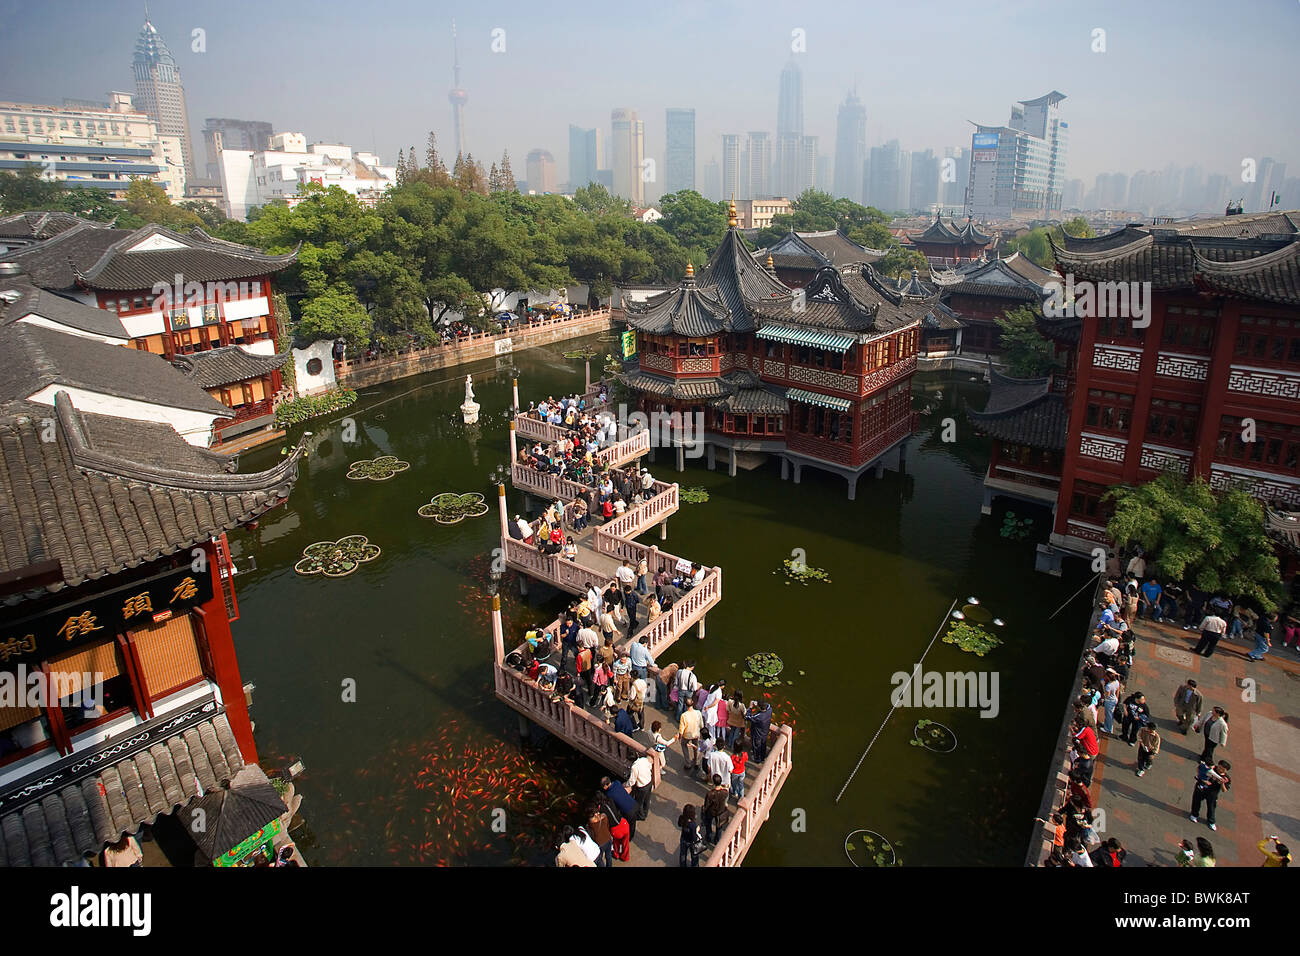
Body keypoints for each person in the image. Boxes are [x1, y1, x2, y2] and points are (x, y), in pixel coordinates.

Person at [1190, 759, 1231, 831]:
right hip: (1201, 789)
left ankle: (1211, 822)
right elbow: (1199, 769)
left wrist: (1222, 783)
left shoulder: (1226, 778)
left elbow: (1224, 790)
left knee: (1211, 807)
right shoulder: (1210, 768)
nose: (1220, 769)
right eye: (1219, 767)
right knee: (1196, 802)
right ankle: (1194, 815)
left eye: (1223, 769)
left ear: (1226, 770)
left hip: (1212, 794)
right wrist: (1203, 778)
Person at [602, 776, 639, 841]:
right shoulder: (617, 782)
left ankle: (628, 838)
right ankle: (631, 836)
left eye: (603, 786)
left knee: (629, 825)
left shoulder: (609, 794)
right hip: (634, 804)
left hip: (628, 811)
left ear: (606, 785)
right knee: (633, 823)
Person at [702, 774, 731, 844]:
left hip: (711, 811)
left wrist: (704, 809)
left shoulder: (710, 794)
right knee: (719, 826)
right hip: (721, 811)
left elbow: (706, 804)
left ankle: (708, 837)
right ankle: (717, 840)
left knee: (708, 824)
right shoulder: (725, 792)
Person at [585, 802, 614, 867]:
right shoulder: (604, 816)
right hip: (608, 838)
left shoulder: (590, 823)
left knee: (600, 859)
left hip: (600, 843)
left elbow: (591, 835)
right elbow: (607, 826)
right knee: (608, 856)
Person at [627, 751, 654, 822]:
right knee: (647, 800)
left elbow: (632, 781)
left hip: (642, 787)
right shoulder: (644, 760)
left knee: (639, 802)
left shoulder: (634, 767)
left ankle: (642, 816)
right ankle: (645, 813)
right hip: (649, 781)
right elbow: (650, 766)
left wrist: (626, 784)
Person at [678, 698, 703, 773]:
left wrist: (680, 737)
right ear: (693, 703)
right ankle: (696, 761)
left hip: (687, 734)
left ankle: (688, 763)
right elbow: (701, 724)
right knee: (696, 746)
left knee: (684, 745)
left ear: (686, 705)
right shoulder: (698, 713)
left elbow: (681, 728)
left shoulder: (684, 715)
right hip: (696, 733)